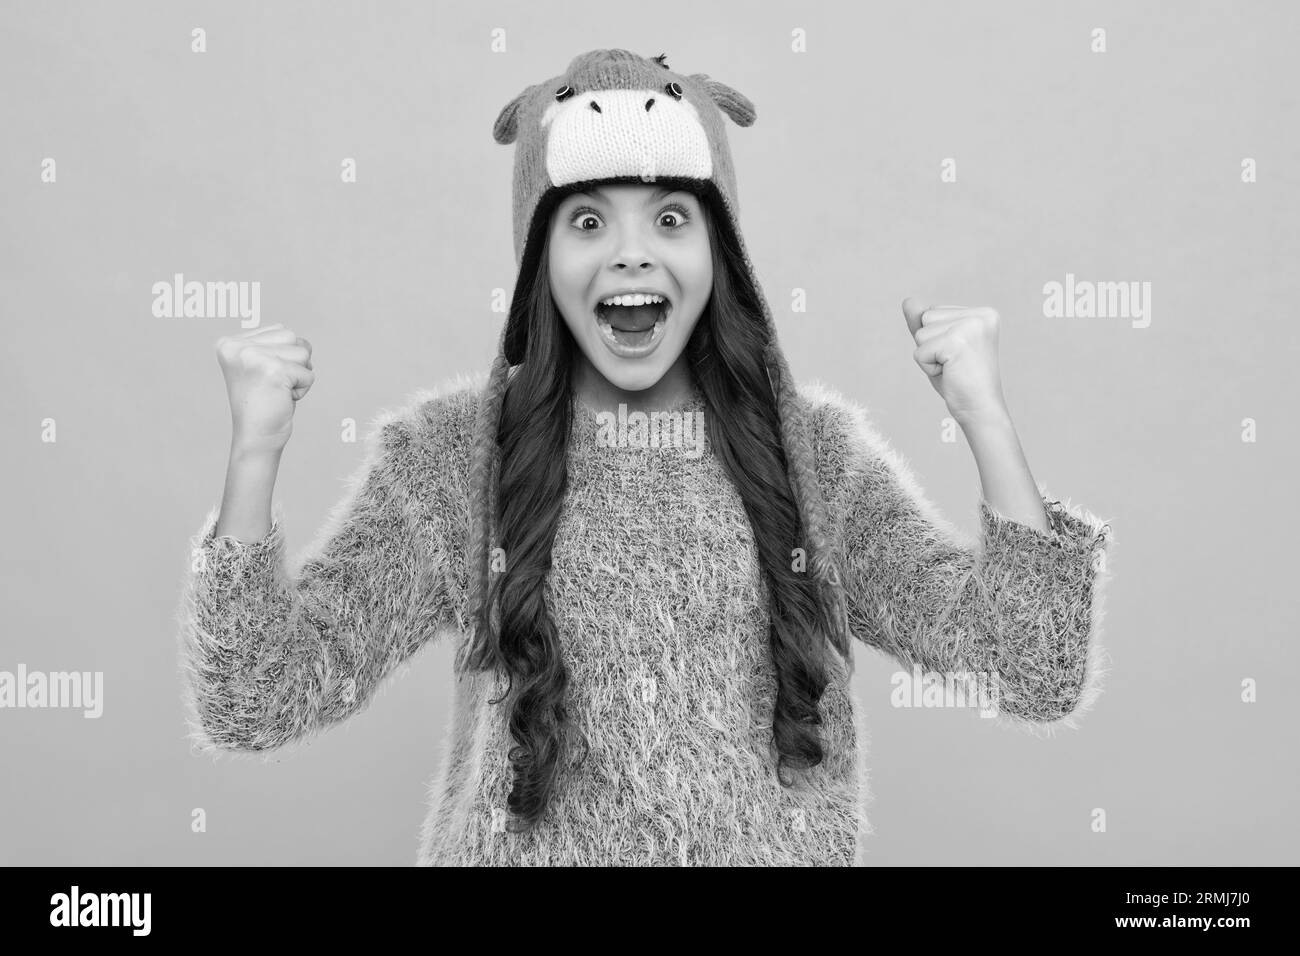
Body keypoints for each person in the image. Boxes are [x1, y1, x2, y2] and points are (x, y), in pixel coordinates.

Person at [177, 48, 1114, 867]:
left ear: (721, 251)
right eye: (588, 221)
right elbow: (256, 702)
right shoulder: (453, 461)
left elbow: (1027, 669)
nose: (631, 255)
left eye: (671, 217)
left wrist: (985, 420)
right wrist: (254, 453)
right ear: (539, 256)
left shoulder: (811, 462)